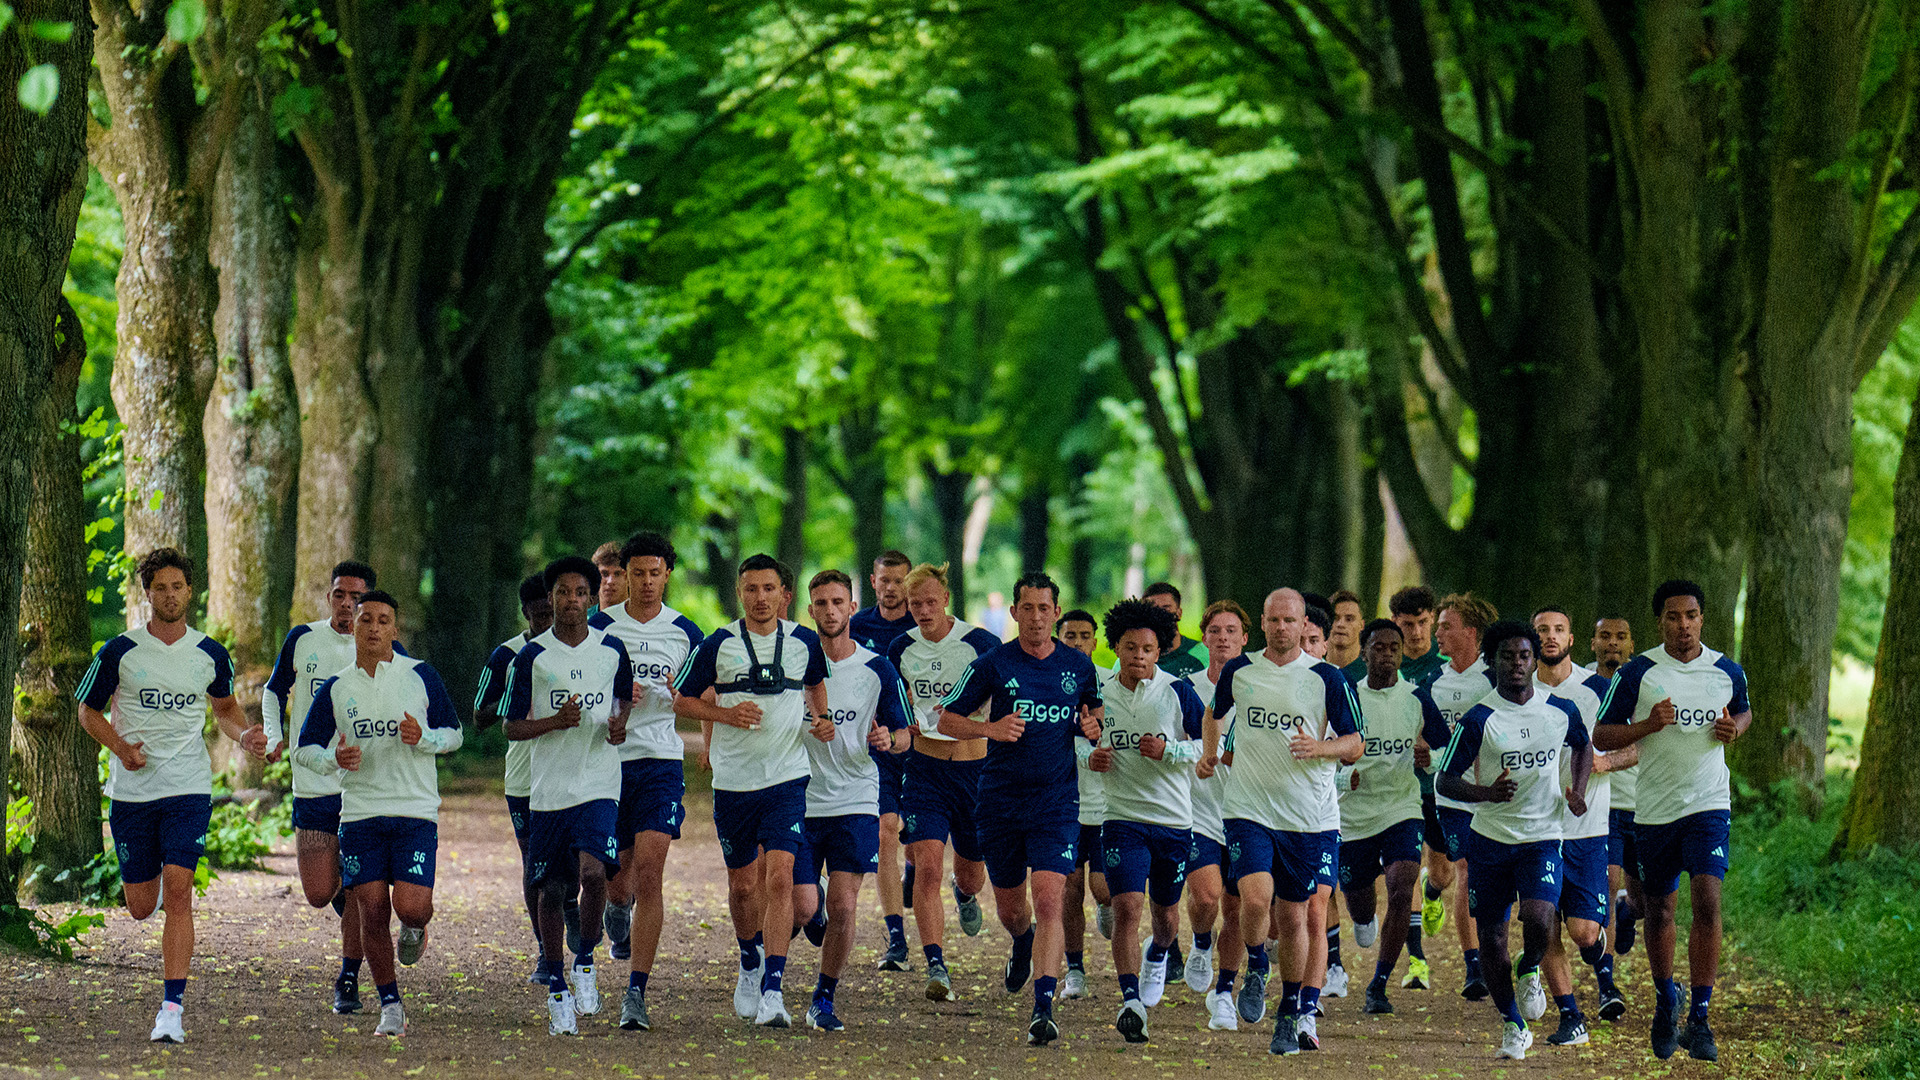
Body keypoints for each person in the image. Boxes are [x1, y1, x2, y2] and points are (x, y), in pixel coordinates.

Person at [76, 547, 268, 1043]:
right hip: (133, 793)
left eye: (177, 587)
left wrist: (243, 735)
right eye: (159, 587)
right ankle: (153, 882)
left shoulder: (209, 653)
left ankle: (171, 1009)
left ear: (190, 591)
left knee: (180, 889)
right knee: (141, 906)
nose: (169, 595)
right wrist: (119, 748)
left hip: (188, 786)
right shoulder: (119, 651)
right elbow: (87, 713)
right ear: (147, 594)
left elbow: (225, 708)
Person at [937, 571, 1105, 1046]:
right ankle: (1022, 941)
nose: (1035, 618)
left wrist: (1091, 729)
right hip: (1000, 803)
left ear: (1056, 612)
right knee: (1014, 910)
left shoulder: (1077, 666)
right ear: (1013, 613)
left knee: (1051, 898)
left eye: (1043, 609)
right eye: (1026, 609)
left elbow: (1090, 715)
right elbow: (947, 719)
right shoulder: (992, 664)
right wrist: (991, 730)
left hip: (1055, 804)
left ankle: (1043, 1006)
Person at [673, 554, 835, 1028]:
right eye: (751, 589)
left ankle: (774, 988)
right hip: (733, 784)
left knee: (780, 879)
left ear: (784, 595)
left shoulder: (805, 641)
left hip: (786, 779)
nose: (760, 598)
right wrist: (726, 715)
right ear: (740, 593)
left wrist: (820, 720)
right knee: (744, 888)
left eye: (769, 589)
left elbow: (816, 685)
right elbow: (682, 700)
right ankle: (749, 958)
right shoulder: (718, 643)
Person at [1198, 588, 1362, 1055]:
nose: (1282, 628)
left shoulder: (1326, 678)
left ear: (1302, 622)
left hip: (1306, 819)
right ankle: (1255, 964)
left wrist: (1320, 748)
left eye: (1290, 621)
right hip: (1248, 809)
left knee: (1293, 917)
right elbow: (1214, 713)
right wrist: (1211, 754)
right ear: (1264, 623)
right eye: (1274, 620)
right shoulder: (1240, 670)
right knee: (1254, 900)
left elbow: (1355, 743)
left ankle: (1290, 1014)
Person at [293, 589, 462, 1036]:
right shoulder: (338, 687)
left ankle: (416, 926)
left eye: (382, 621)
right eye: (365, 619)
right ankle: (391, 1003)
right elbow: (305, 749)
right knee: (370, 908)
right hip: (360, 814)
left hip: (414, 812)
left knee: (410, 906)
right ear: (354, 626)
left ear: (395, 628)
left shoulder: (420, 676)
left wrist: (423, 738)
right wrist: (333, 760)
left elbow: (455, 734)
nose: (372, 628)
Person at [1594, 580, 1750, 1062]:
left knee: (1708, 898)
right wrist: (1648, 725)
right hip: (1656, 808)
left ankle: (1700, 1020)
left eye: (1691, 615)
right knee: (1659, 912)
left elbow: (1743, 713)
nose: (1683, 625)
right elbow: (1601, 733)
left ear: (1703, 618)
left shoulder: (1726, 669)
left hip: (1708, 803)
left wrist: (1733, 729)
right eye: (1673, 617)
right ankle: (1667, 1001)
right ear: (1659, 622)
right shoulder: (1639, 672)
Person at [1437, 620, 1593, 1061]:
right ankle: (1513, 1023)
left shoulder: (1559, 710)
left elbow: (1582, 746)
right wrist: (1486, 793)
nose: (1518, 664)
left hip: (1543, 836)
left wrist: (1577, 788)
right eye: (1508, 656)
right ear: (1493, 661)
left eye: (1525, 655)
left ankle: (1530, 969)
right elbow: (1445, 781)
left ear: (1534, 659)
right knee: (1491, 940)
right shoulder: (1479, 720)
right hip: (1489, 839)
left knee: (1541, 921)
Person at [503, 556, 635, 1035]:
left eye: (582, 592)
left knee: (594, 872)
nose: (573, 601)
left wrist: (619, 724)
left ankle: (585, 960)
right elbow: (511, 726)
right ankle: (557, 987)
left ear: (593, 596)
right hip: (548, 790)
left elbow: (622, 698)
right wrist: (554, 722)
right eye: (564, 592)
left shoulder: (611, 649)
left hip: (599, 781)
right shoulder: (531, 657)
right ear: (552, 597)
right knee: (553, 890)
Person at [588, 531, 705, 1032]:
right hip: (609, 763)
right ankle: (617, 908)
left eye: (656, 573)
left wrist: (707, 736)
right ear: (624, 575)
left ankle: (636, 993)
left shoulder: (686, 632)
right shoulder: (600, 627)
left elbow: (704, 692)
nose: (647, 582)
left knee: (651, 872)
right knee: (618, 880)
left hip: (660, 760)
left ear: (668, 574)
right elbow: (581, 687)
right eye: (638, 573)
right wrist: (615, 695)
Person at [788, 570, 912, 1029]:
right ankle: (809, 909)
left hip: (857, 797)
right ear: (811, 610)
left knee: (844, 905)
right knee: (803, 907)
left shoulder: (877, 667)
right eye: (821, 603)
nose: (830, 611)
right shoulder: (794, 661)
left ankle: (823, 997)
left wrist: (887, 739)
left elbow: (905, 735)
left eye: (838, 602)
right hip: (799, 797)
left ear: (851, 606)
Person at [260, 559, 382, 1014]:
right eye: (339, 595)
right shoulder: (303, 638)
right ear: (328, 596)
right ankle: (369, 917)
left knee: (353, 883)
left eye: (356, 598)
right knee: (318, 892)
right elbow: (274, 692)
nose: (347, 605)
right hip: (312, 777)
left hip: (361, 783)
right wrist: (274, 737)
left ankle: (348, 977)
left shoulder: (383, 644)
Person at [1087, 600, 1206, 1043]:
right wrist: (1092, 756)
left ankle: (1158, 954)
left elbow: (1205, 747)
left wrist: (1170, 751)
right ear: (1115, 647)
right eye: (1131, 647)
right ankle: (1130, 999)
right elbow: (1078, 742)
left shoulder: (1178, 691)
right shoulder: (1098, 692)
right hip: (1121, 818)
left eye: (1149, 649)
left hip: (1173, 821)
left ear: (1160, 653)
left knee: (1167, 919)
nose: (1139, 655)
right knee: (1126, 908)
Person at [883, 563, 1000, 1002]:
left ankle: (965, 895)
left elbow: (1003, 694)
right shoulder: (900, 648)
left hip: (975, 771)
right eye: (916, 605)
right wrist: (902, 725)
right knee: (926, 866)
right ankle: (936, 964)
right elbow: (894, 702)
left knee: (971, 874)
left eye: (931, 602)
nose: (924, 611)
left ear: (946, 599)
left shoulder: (980, 644)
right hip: (926, 770)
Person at [1532, 606, 1636, 1045]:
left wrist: (1606, 761)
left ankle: (1600, 952)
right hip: (1535, 830)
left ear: (1572, 639)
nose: (1550, 637)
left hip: (1588, 828)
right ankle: (1570, 1016)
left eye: (1558, 630)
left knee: (1583, 931)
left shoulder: (1599, 689)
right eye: (1542, 631)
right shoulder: (1516, 691)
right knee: (1542, 923)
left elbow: (1642, 746)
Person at [1339, 619, 1451, 1017]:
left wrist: (1431, 758)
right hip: (1353, 814)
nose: (1387, 654)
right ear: (1364, 651)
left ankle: (1379, 983)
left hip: (1402, 809)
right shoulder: (1347, 696)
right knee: (1361, 906)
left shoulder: (1417, 698)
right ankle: (1364, 920)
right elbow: (1327, 753)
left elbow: (1448, 751)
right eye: (1379, 647)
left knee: (1403, 887)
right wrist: (1341, 774)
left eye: (1394, 648)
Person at [473, 573, 555, 983]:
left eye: (551, 613)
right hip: (523, 776)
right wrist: (515, 698)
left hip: (572, 773)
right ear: (525, 614)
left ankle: (569, 917)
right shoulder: (505, 655)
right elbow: (480, 715)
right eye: (538, 616)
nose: (546, 622)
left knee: (575, 860)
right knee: (534, 862)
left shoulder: (583, 648)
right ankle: (545, 948)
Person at [1428, 592, 1500, 1000]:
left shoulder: (1495, 679)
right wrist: (1427, 751)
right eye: (1438, 625)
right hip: (1452, 795)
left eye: (1446, 626)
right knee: (1467, 870)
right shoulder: (1432, 682)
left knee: (1487, 878)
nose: (1438, 633)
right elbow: (1426, 733)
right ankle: (1475, 966)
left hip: (1496, 796)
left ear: (1471, 633)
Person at [848, 549, 917, 970]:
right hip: (877, 747)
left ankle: (921, 873)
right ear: (873, 583)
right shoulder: (855, 628)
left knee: (919, 842)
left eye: (899, 581)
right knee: (884, 831)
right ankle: (897, 938)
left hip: (924, 746)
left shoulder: (924, 625)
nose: (892, 589)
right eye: (884, 581)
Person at [1185, 600, 1251, 1031]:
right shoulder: (1185, 687)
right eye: (1215, 631)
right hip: (1199, 811)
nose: (1223, 637)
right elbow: (1173, 742)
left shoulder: (1259, 685)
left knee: (1238, 906)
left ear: (1246, 639)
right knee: (1207, 897)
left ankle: (1224, 992)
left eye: (1231, 631)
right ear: (1204, 638)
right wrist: (1202, 756)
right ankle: (1200, 941)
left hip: (1248, 811)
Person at [1057, 608, 1112, 1000]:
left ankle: (1106, 905)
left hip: (1109, 805)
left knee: (1104, 888)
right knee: (1068, 887)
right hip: (1064, 804)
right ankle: (1074, 969)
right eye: (1070, 636)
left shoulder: (1113, 683)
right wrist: (1082, 756)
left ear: (1096, 641)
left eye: (1084, 635)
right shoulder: (1047, 683)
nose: (1077, 643)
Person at [1590, 615, 1645, 958]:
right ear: (1592, 643)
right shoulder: (1580, 684)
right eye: (1605, 636)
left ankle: (1628, 913)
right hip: (1601, 804)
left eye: (1620, 637)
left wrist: (1610, 760)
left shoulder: (1645, 683)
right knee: (1608, 884)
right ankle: (1606, 983)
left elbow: (1651, 741)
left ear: (1631, 645)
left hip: (1642, 805)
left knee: (1643, 901)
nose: (1613, 643)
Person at [1143, 582, 1208, 677]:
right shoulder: (1132, 658)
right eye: (1153, 610)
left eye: (1166, 609)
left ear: (1179, 613)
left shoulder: (1203, 654)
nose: (1160, 615)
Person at [1327, 590, 1365, 676]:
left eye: (1349, 619)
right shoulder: (1312, 669)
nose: (1341, 624)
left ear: (1361, 625)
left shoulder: (1372, 675)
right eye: (1334, 618)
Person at [593, 541, 628, 612]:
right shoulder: (581, 620)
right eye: (604, 574)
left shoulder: (645, 619)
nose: (610, 581)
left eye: (618, 574)